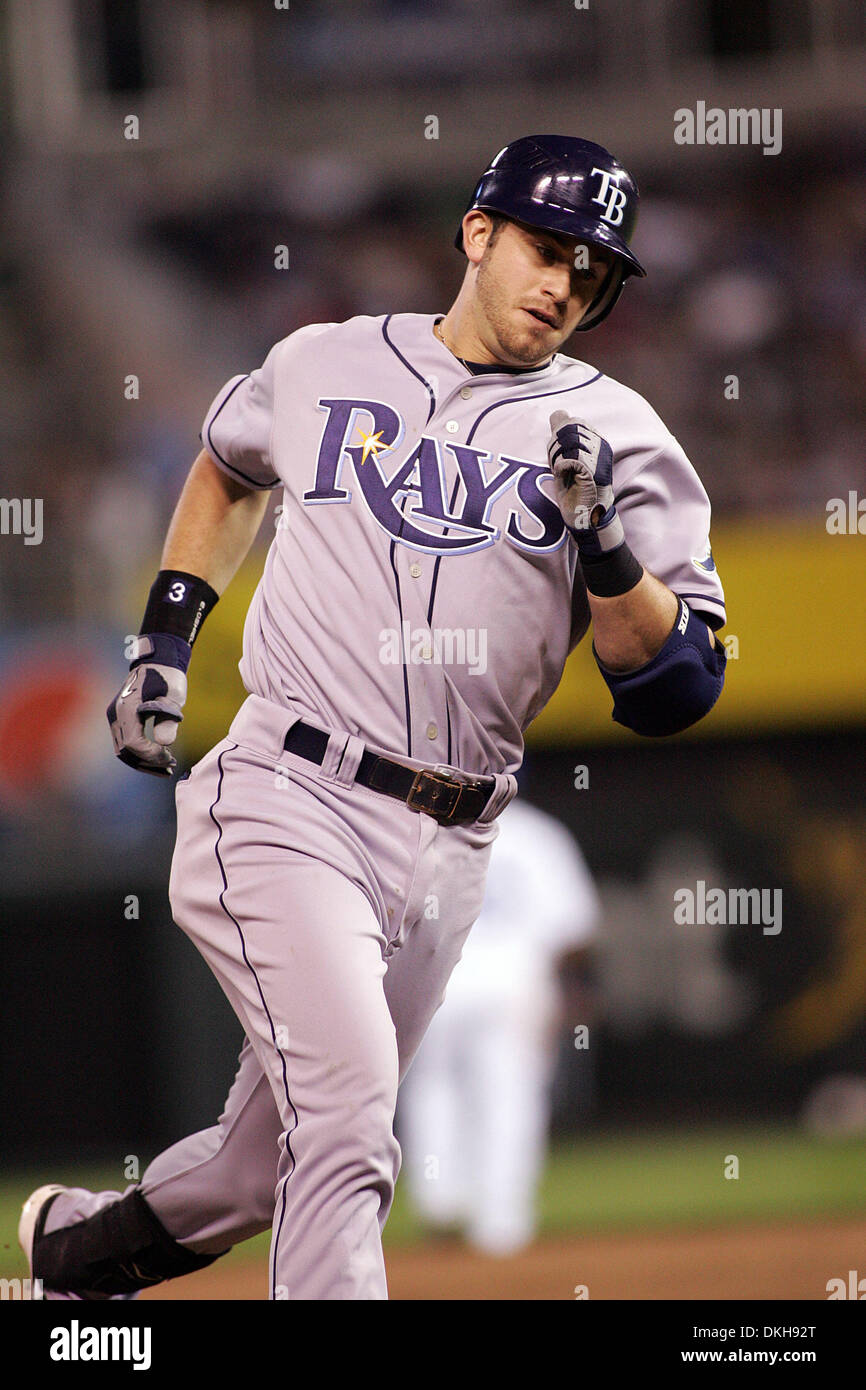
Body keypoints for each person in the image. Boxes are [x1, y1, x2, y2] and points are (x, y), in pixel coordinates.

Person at [19, 135, 726, 1301]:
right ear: (477, 232)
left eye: (591, 272)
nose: (563, 285)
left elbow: (675, 688)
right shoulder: (326, 360)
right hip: (288, 790)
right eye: (547, 250)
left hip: (451, 846)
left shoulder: (625, 435)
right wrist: (160, 644)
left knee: (260, 1170)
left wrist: (602, 544)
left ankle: (76, 1255)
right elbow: (225, 466)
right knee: (347, 1125)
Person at [398, 796, 600, 1255]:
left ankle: (440, 1202)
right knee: (510, 1097)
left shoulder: (428, 828)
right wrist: (571, 992)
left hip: (436, 983)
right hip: (513, 987)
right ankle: (502, 1224)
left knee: (430, 1090)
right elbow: (574, 931)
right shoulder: (537, 833)